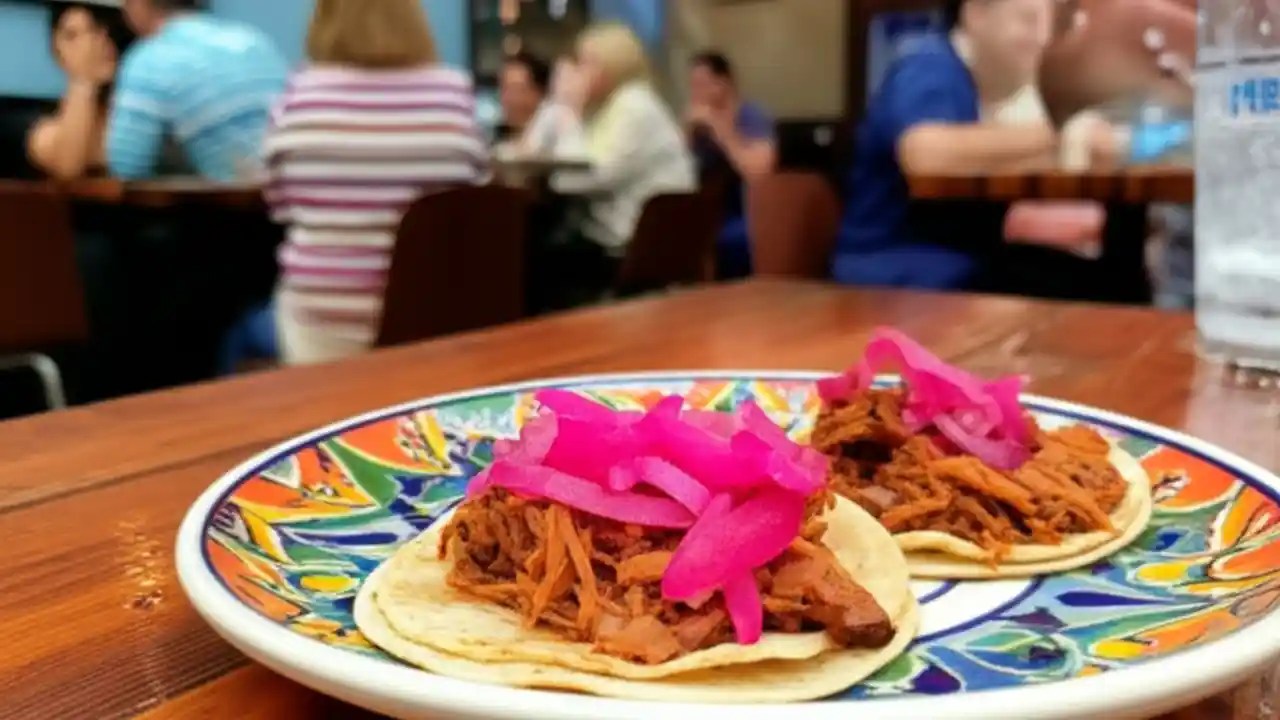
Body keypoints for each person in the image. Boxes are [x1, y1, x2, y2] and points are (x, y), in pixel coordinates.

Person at [260, 0, 489, 365]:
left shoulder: (299, 96)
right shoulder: (454, 93)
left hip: (323, 323)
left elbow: (280, 207)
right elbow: (472, 203)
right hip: (432, 317)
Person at [835, 0, 1112, 298]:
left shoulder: (979, 86)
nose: (1042, 38)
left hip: (954, 259)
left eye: (1048, 24)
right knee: (1095, 288)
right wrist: (1067, 131)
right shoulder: (929, 64)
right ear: (976, 14)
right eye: (1027, 20)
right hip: (896, 268)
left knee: (1094, 278)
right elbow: (924, 154)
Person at [541, 23, 695, 306]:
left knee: (537, 258)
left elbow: (585, 177)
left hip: (632, 243)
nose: (578, 74)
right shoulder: (611, 108)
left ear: (611, 65)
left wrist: (567, 108)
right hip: (621, 234)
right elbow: (563, 170)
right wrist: (561, 106)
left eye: (586, 63)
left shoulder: (634, 105)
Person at [108, 0, 288, 180]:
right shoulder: (254, 41)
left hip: (234, 198)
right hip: (288, 192)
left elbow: (126, 169)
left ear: (138, 4)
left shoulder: (151, 59)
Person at [686, 51, 777, 278]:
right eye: (693, 86)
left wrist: (721, 131)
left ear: (724, 83)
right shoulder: (697, 126)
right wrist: (685, 133)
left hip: (745, 212)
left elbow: (759, 174)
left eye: (703, 85)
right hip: (705, 210)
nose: (697, 94)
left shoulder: (752, 116)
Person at [27, 3, 134, 180]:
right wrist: (83, 81)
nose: (88, 45)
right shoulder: (45, 130)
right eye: (71, 36)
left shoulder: (138, 111)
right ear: (56, 48)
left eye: (98, 31)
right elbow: (68, 167)